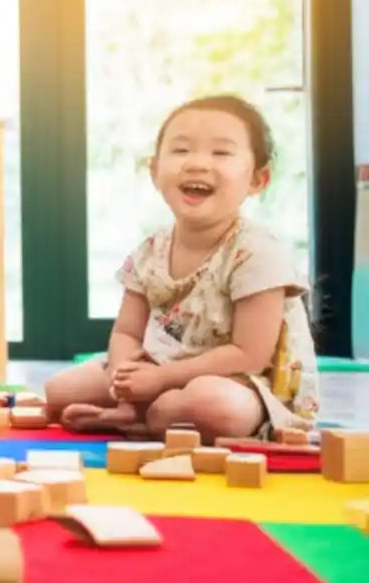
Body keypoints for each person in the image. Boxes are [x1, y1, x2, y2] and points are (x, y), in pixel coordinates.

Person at [44, 95, 319, 441]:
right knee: (60, 392)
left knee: (215, 408)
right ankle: (139, 414)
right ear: (154, 172)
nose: (197, 164)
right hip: (158, 368)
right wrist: (123, 380)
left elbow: (249, 355)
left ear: (258, 179)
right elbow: (127, 332)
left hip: (236, 380)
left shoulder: (257, 254)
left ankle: (149, 419)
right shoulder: (150, 250)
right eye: (181, 150)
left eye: (221, 153)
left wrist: (161, 381)